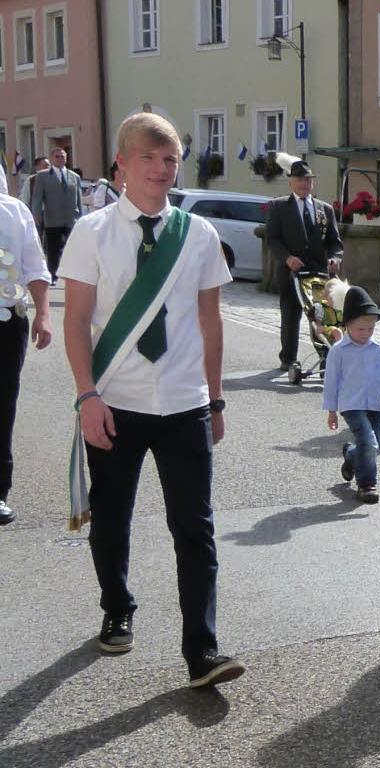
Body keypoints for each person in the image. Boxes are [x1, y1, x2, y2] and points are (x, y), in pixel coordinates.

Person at [59, 112, 244, 688]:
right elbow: (77, 321)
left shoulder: (199, 234)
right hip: (115, 402)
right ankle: (117, 606)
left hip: (185, 404)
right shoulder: (91, 233)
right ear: (121, 164)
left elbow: (211, 322)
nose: (163, 170)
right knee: (112, 518)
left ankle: (202, 651)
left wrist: (216, 400)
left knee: (195, 527)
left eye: (171, 160)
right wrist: (87, 395)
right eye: (150, 158)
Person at [322, 285, 380, 504]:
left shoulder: (378, 350)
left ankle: (351, 455)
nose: (366, 333)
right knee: (369, 443)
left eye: (370, 329)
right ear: (347, 325)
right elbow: (331, 381)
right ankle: (366, 484)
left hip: (374, 405)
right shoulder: (338, 351)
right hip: (351, 406)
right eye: (361, 329)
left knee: (379, 444)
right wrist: (331, 410)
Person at [0, 191, 53, 526]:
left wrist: (44, 314)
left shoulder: (14, 211)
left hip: (7, 321)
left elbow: (35, 266)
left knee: (3, 405)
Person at [265, 152, 343, 371]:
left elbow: (335, 242)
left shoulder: (324, 209)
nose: (304, 184)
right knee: (291, 316)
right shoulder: (279, 207)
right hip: (291, 273)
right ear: (291, 182)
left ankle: (325, 358)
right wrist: (287, 258)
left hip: (318, 274)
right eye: (300, 180)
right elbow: (272, 239)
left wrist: (334, 258)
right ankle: (288, 358)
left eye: (308, 180)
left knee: (321, 315)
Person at [30, 147, 83, 283]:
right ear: (52, 159)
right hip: (52, 219)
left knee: (71, 248)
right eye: (57, 156)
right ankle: (53, 275)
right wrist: (36, 214)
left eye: (62, 156)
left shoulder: (74, 176)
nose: (60, 159)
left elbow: (79, 199)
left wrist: (82, 218)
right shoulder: (42, 176)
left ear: (66, 158)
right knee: (53, 249)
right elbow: (37, 198)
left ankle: (72, 275)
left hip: (71, 219)